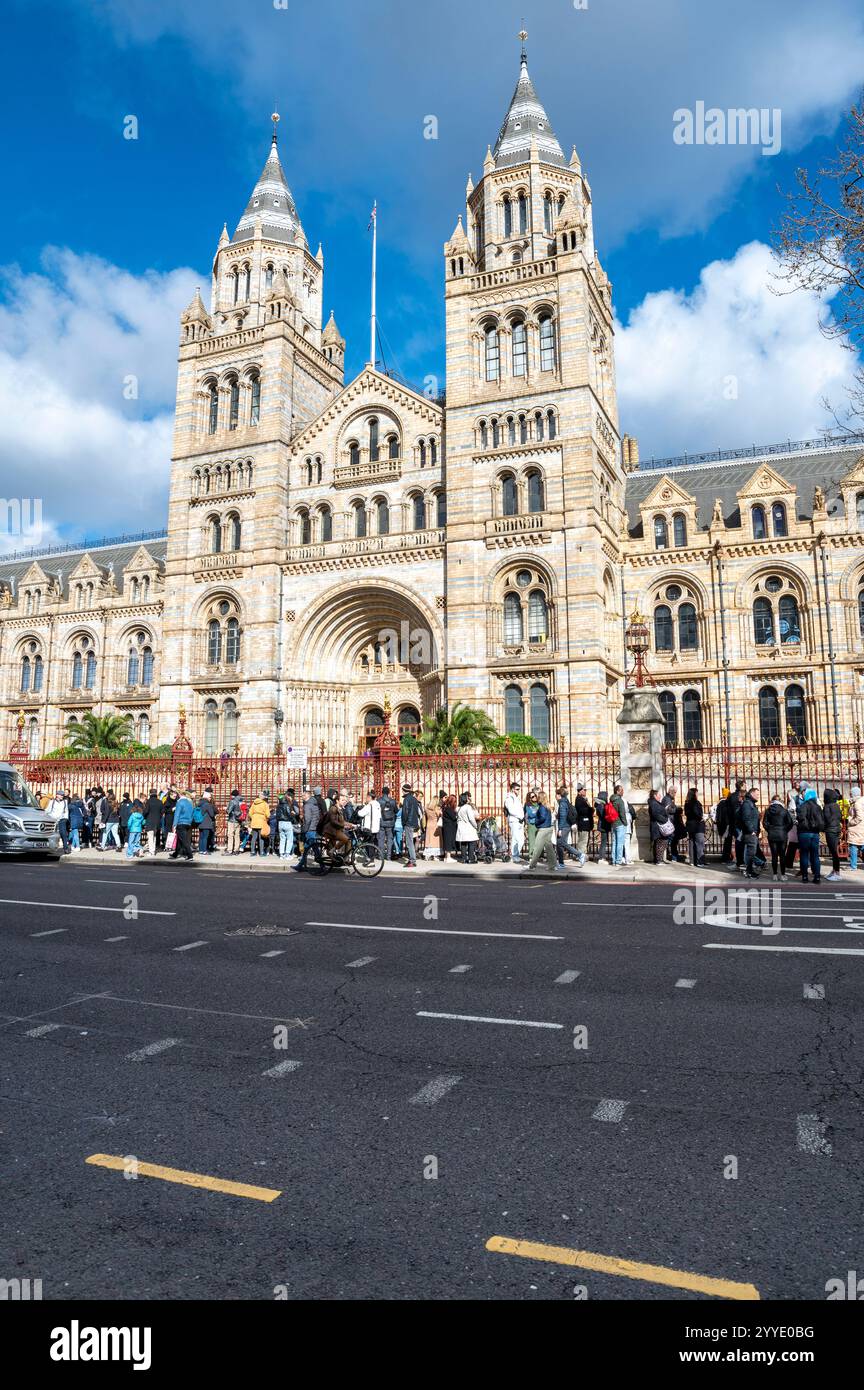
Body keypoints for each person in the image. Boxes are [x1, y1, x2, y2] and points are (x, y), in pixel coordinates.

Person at [295, 787, 328, 871]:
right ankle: (300, 865)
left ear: (307, 796)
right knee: (306, 849)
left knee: (315, 849)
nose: (302, 796)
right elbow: (316, 817)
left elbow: (308, 820)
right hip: (313, 828)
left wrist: (304, 830)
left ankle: (322, 866)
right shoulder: (314, 804)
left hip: (309, 830)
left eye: (303, 795)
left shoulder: (307, 805)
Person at [763, 793, 793, 881]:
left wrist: (770, 829)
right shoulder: (784, 810)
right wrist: (785, 830)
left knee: (774, 855)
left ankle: (775, 874)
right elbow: (790, 823)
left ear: (772, 800)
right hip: (782, 834)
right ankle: (783, 875)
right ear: (780, 801)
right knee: (782, 855)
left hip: (772, 835)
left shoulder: (768, 810)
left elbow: (764, 823)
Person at [797, 788, 824, 885]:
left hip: (804, 832)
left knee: (804, 854)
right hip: (815, 833)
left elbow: (800, 817)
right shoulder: (818, 807)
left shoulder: (803, 805)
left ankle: (805, 876)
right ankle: (817, 877)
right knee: (815, 855)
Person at [527, 792, 557, 871]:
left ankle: (532, 866)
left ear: (540, 798)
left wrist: (536, 822)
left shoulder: (542, 807)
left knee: (537, 847)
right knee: (549, 848)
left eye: (538, 796)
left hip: (543, 829)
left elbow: (543, 817)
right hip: (549, 828)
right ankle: (552, 866)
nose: (536, 798)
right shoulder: (547, 806)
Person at [739, 787, 761, 878]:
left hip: (752, 832)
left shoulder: (751, 803)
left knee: (751, 853)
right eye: (757, 794)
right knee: (750, 853)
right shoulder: (747, 804)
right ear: (752, 794)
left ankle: (749, 870)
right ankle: (749, 872)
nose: (758, 796)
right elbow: (746, 818)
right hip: (749, 833)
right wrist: (751, 830)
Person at [648, 788, 673, 864]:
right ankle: (658, 860)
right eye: (659, 795)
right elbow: (656, 815)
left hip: (658, 826)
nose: (660, 796)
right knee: (661, 842)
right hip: (658, 826)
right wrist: (665, 820)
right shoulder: (654, 803)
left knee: (659, 842)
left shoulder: (655, 803)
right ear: (655, 795)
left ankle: (658, 859)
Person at [823, 787, 843, 882]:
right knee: (835, 851)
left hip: (830, 830)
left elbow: (826, 818)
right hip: (837, 829)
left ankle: (837, 872)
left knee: (834, 852)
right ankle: (835, 871)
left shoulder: (827, 806)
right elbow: (840, 816)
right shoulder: (836, 805)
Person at [170, 787, 195, 861]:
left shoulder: (179, 802)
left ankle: (190, 855)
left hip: (181, 823)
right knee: (179, 840)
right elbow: (192, 813)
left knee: (184, 840)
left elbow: (177, 814)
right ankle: (175, 854)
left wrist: (174, 825)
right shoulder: (190, 803)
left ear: (180, 795)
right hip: (188, 823)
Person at [683, 787, 706, 868]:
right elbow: (697, 812)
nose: (697, 794)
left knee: (691, 842)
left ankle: (692, 861)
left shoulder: (687, 802)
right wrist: (701, 817)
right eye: (696, 793)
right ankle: (699, 861)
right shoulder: (695, 802)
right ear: (694, 794)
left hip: (690, 824)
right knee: (699, 843)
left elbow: (687, 813)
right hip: (697, 825)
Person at [571, 785, 593, 866]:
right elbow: (582, 811)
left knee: (584, 839)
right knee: (582, 840)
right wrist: (590, 809)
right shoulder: (579, 799)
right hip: (583, 823)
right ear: (580, 791)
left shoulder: (583, 799)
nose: (585, 791)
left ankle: (583, 854)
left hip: (585, 823)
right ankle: (580, 855)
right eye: (584, 790)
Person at [400, 784, 422, 868]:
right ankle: (411, 859)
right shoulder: (414, 799)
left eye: (402, 790)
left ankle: (412, 860)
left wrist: (404, 823)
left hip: (408, 823)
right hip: (414, 822)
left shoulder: (406, 799)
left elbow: (405, 813)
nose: (402, 791)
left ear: (404, 791)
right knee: (411, 842)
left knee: (409, 843)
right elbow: (417, 812)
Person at [503, 782, 525, 863]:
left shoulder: (516, 798)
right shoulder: (509, 798)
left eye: (519, 789)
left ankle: (516, 854)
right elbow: (511, 810)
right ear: (512, 789)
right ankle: (514, 856)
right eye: (517, 789)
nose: (518, 791)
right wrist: (520, 816)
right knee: (515, 839)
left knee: (522, 839)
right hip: (514, 821)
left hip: (520, 821)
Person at [609, 784, 630, 866]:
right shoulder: (620, 801)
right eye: (621, 790)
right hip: (620, 824)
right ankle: (618, 861)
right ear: (617, 791)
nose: (623, 792)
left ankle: (614, 860)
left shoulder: (611, 800)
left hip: (613, 823)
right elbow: (622, 814)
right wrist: (625, 823)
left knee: (614, 842)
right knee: (620, 843)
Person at [455, 791, 478, 863]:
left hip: (461, 827)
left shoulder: (459, 808)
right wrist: (476, 825)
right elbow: (471, 818)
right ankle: (471, 858)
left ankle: (463, 858)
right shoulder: (467, 807)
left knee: (463, 844)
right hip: (468, 827)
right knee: (472, 842)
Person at [246, 791, 271, 858]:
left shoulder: (254, 803)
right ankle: (261, 852)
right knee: (261, 838)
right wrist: (266, 819)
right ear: (263, 796)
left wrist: (254, 817)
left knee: (254, 837)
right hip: (261, 822)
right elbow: (268, 814)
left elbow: (250, 813)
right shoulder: (265, 804)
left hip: (254, 821)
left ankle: (252, 852)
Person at [555, 784, 575, 865]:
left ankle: (580, 854)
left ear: (559, 795)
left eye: (556, 794)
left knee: (561, 843)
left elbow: (563, 816)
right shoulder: (565, 801)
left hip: (564, 826)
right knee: (560, 844)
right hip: (566, 825)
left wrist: (560, 829)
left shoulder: (562, 803)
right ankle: (561, 863)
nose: (555, 796)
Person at [46, 787, 70, 855]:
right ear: (57, 795)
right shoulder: (52, 802)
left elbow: (66, 811)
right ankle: (49, 848)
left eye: (63, 795)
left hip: (62, 820)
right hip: (53, 820)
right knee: (51, 834)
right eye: (61, 795)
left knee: (64, 834)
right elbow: (47, 810)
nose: (62, 796)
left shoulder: (65, 802)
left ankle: (66, 848)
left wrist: (65, 818)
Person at [378, 785, 398, 861]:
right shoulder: (393, 801)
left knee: (381, 840)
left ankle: (381, 856)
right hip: (390, 823)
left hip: (381, 823)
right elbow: (396, 811)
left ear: (382, 792)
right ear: (389, 793)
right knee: (390, 839)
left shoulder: (379, 801)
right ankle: (389, 856)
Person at [277, 790, 298, 859]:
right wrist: (293, 815)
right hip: (287, 823)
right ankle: (287, 854)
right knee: (289, 839)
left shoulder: (279, 805)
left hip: (280, 823)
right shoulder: (287, 805)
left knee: (282, 839)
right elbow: (289, 814)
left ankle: (281, 854)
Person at [847, 785, 864, 871]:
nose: (850, 795)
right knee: (861, 845)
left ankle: (853, 866)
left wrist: (850, 822)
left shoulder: (857, 803)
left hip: (856, 828)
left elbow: (859, 817)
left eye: (851, 794)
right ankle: (853, 865)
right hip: (860, 828)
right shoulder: (860, 801)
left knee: (853, 846)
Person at [197, 787, 216, 855]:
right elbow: (212, 814)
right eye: (210, 797)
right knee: (205, 837)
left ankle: (200, 850)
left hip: (200, 822)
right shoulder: (207, 804)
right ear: (207, 797)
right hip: (206, 823)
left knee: (201, 837)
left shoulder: (199, 803)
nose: (210, 798)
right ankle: (204, 850)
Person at [144, 787, 163, 857]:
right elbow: (162, 811)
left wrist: (145, 817)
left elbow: (146, 811)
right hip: (157, 822)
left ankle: (151, 852)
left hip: (150, 821)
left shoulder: (148, 801)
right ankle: (153, 850)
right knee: (154, 837)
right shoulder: (160, 802)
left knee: (150, 837)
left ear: (150, 793)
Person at [225, 788, 244, 855]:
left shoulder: (232, 801)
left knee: (230, 835)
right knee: (237, 835)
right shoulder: (242, 801)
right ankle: (236, 850)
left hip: (232, 820)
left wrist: (226, 809)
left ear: (233, 795)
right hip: (239, 820)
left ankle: (229, 850)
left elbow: (229, 811)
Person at [594, 789, 611, 863]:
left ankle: (602, 857)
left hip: (604, 824)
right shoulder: (601, 805)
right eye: (606, 796)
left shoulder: (601, 804)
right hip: (603, 825)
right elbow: (602, 814)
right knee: (603, 841)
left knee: (604, 841)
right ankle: (601, 858)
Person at [423, 792, 441, 859]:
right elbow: (439, 815)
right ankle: (435, 855)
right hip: (435, 824)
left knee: (429, 839)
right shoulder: (436, 808)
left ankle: (427, 855)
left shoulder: (427, 807)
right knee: (436, 841)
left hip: (428, 824)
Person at [441, 793, 458, 861]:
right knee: (449, 841)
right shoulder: (449, 808)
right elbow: (453, 818)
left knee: (447, 840)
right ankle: (448, 857)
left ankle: (446, 857)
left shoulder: (445, 807)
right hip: (449, 827)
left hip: (447, 826)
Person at [523, 790, 539, 859]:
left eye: (535, 795)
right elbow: (530, 814)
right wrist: (538, 813)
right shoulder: (527, 805)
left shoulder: (539, 804)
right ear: (529, 798)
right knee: (532, 841)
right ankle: (531, 856)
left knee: (539, 841)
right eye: (532, 796)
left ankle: (538, 855)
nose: (535, 797)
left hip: (539, 824)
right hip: (531, 824)